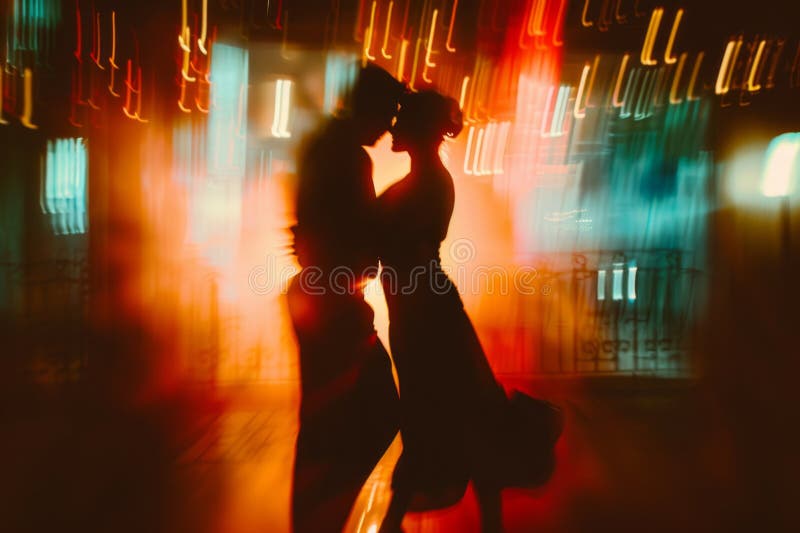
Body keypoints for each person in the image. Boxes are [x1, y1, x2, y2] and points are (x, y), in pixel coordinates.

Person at [376, 91, 562, 533]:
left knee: (436, 414)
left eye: (402, 119)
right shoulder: (432, 183)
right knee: (461, 413)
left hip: (425, 316)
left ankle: (394, 523)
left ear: (421, 130)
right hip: (426, 311)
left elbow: (402, 252)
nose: (393, 127)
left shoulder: (428, 185)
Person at [287, 64, 405, 533]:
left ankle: (318, 517)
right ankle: (325, 516)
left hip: (317, 297)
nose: (390, 126)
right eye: (388, 112)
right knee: (374, 411)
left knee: (324, 424)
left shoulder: (322, 145)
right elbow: (362, 237)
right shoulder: (353, 159)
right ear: (367, 106)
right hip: (336, 302)